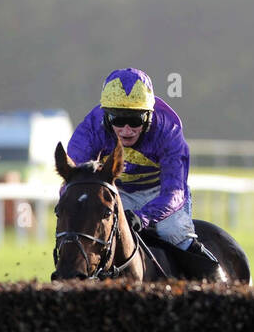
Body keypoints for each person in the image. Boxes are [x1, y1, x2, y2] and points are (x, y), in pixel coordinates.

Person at [65, 67, 226, 281]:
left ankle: (218, 282)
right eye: (117, 119)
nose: (126, 129)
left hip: (161, 193)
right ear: (106, 116)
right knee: (85, 231)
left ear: (149, 116)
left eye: (135, 119)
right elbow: (74, 179)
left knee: (174, 232)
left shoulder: (168, 132)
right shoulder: (91, 128)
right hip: (118, 190)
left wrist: (143, 216)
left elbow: (174, 192)